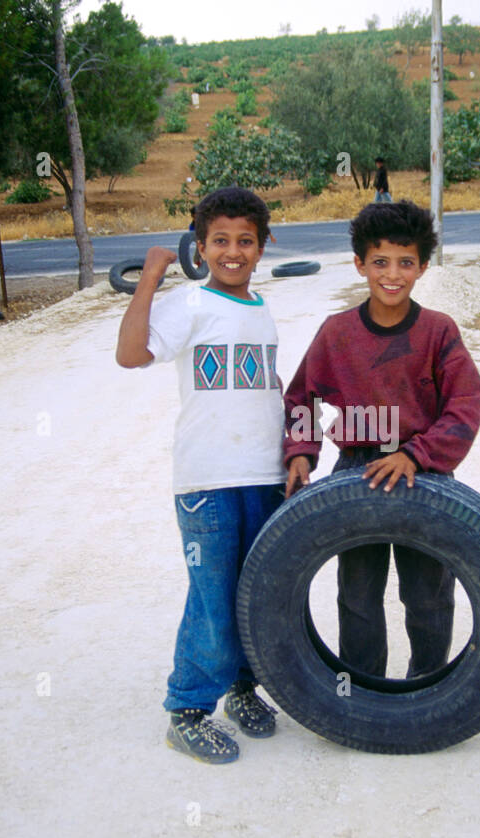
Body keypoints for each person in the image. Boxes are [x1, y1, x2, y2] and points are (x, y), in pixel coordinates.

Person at [114, 187, 284, 764]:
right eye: (219, 241)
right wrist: (151, 278)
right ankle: (186, 710)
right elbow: (131, 355)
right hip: (206, 480)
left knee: (253, 589)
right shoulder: (190, 304)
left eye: (245, 241)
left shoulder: (262, 311)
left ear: (263, 247)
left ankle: (241, 689)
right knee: (212, 595)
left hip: (263, 474)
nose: (232, 252)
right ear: (201, 245)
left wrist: (291, 457)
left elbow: (269, 391)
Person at [284, 200, 480, 679]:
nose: (392, 274)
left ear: (422, 267)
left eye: (405, 262)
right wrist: (300, 455)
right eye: (380, 262)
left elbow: (465, 405)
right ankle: (365, 691)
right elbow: (301, 399)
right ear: (360, 264)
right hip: (356, 470)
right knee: (357, 592)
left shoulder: (438, 332)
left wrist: (417, 454)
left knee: (429, 592)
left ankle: (428, 687)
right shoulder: (337, 334)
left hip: (424, 472)